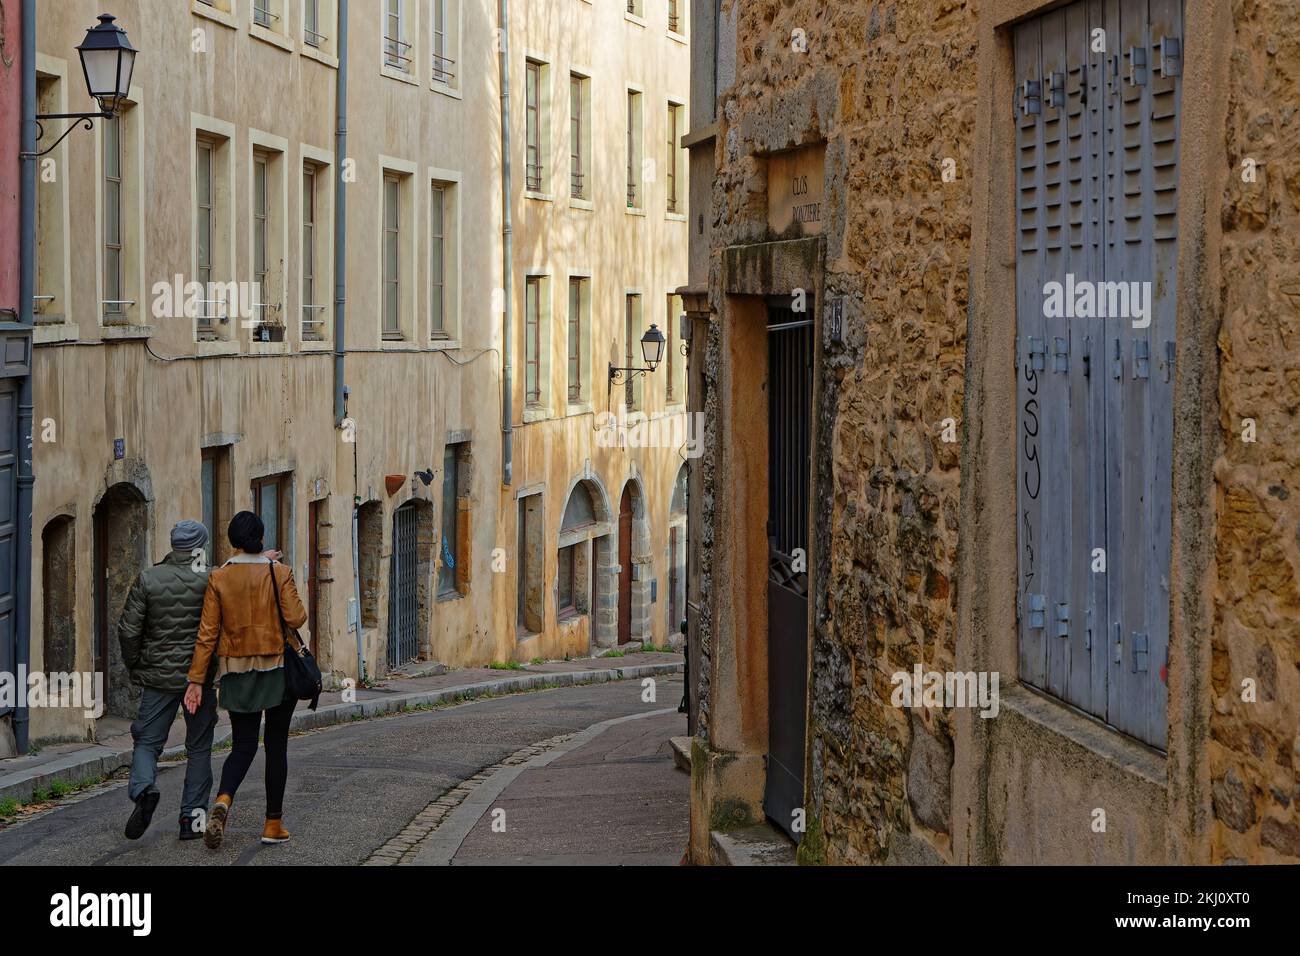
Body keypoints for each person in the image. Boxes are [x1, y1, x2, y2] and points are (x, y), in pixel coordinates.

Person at [184, 511, 306, 850]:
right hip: (278, 669)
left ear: (231, 541)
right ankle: (272, 824)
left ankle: (223, 799)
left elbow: (207, 634)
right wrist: (277, 575)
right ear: (261, 538)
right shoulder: (277, 572)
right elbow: (297, 616)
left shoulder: (219, 578)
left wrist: (196, 680)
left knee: (243, 745)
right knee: (276, 745)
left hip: (235, 671)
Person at [118, 519, 218, 841]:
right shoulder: (212, 578)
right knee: (199, 746)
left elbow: (128, 629)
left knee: (147, 741)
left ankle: (144, 789)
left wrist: (136, 664)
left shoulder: (149, 578)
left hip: (158, 677)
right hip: (198, 679)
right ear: (199, 547)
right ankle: (192, 819)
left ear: (174, 546)